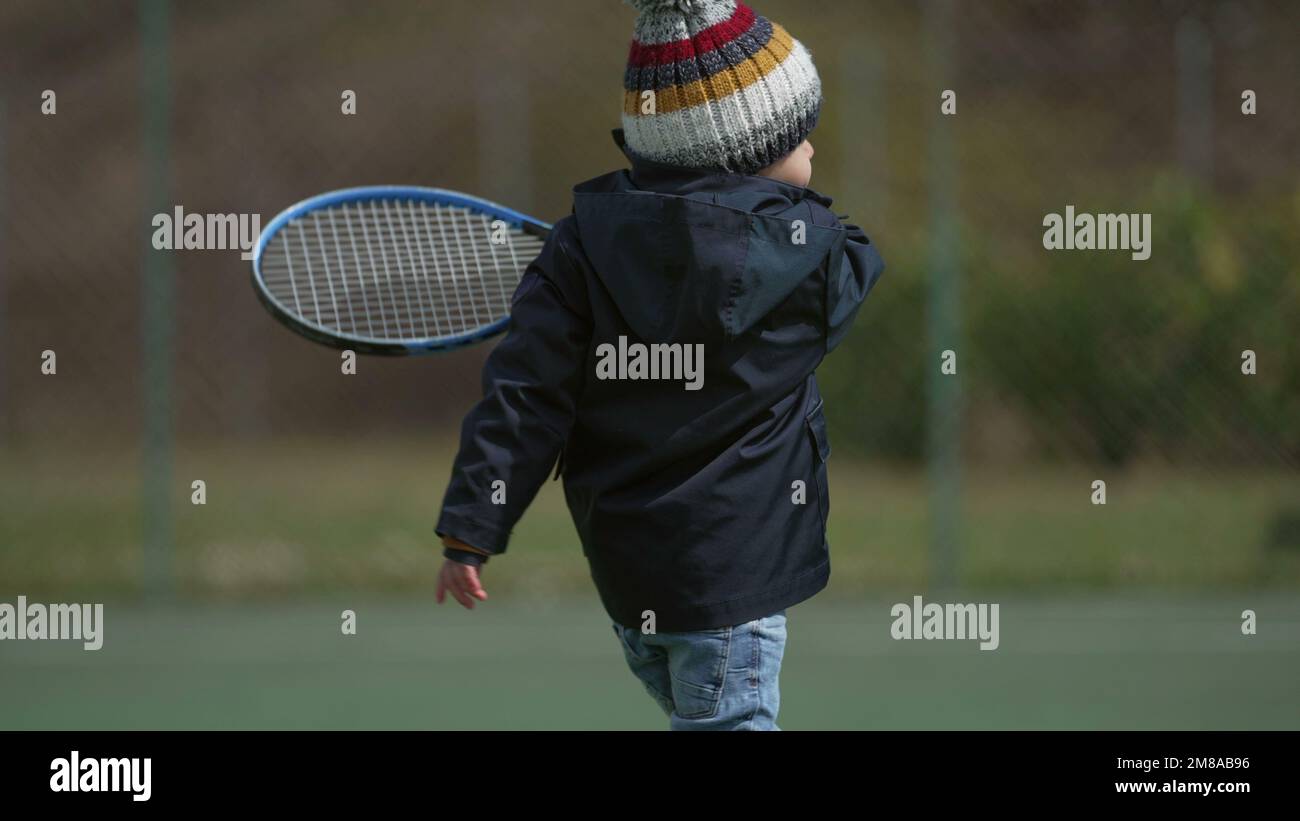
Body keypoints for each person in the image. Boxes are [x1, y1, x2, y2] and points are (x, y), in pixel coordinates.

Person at [435, 0, 884, 730]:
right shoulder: (810, 257)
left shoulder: (580, 249)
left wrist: (470, 527)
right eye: (800, 135)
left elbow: (524, 400)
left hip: (630, 582)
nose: (813, 151)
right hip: (734, 585)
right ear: (751, 154)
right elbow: (857, 256)